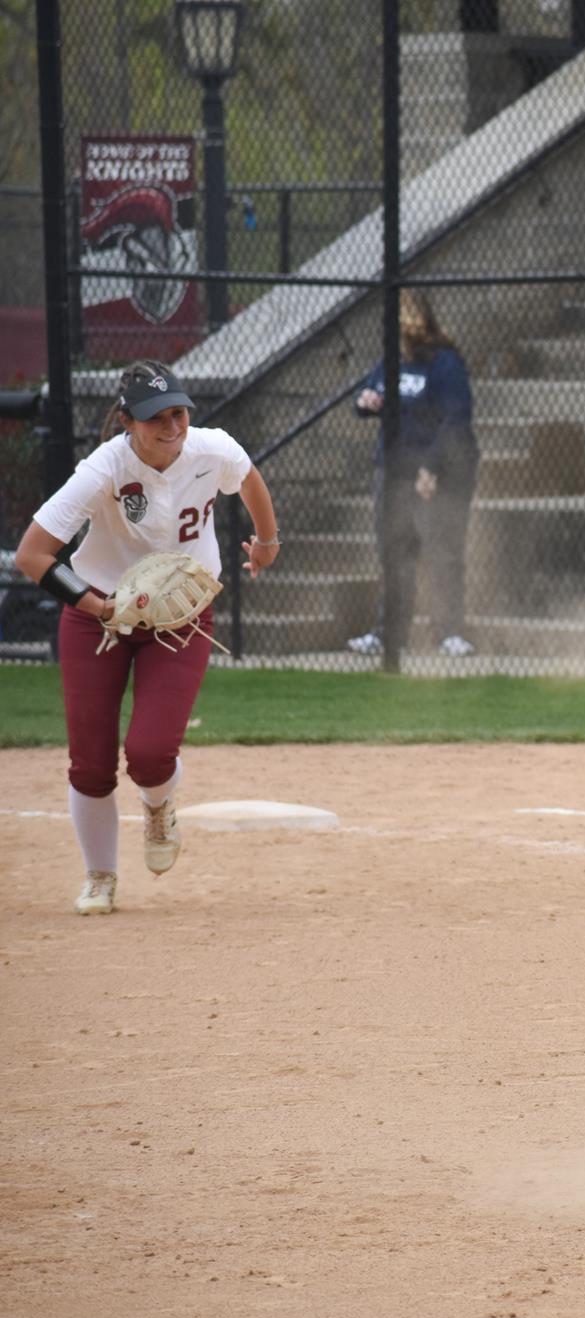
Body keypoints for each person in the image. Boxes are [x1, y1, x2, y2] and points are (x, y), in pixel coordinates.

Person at [13, 361, 280, 915]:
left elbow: (248, 476)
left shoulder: (212, 449)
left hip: (180, 617)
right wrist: (95, 604)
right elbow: (32, 554)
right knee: (90, 762)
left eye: (178, 412)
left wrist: (267, 542)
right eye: (155, 417)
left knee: (150, 754)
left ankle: (158, 806)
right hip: (98, 618)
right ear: (127, 420)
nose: (171, 426)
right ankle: (100, 876)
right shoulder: (103, 468)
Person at [346, 289, 478, 658]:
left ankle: (449, 632)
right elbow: (367, 394)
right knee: (393, 551)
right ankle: (389, 634)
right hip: (393, 469)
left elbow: (456, 420)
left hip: (438, 471)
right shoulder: (392, 361)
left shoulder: (444, 363)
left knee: (442, 550)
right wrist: (365, 402)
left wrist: (432, 468)